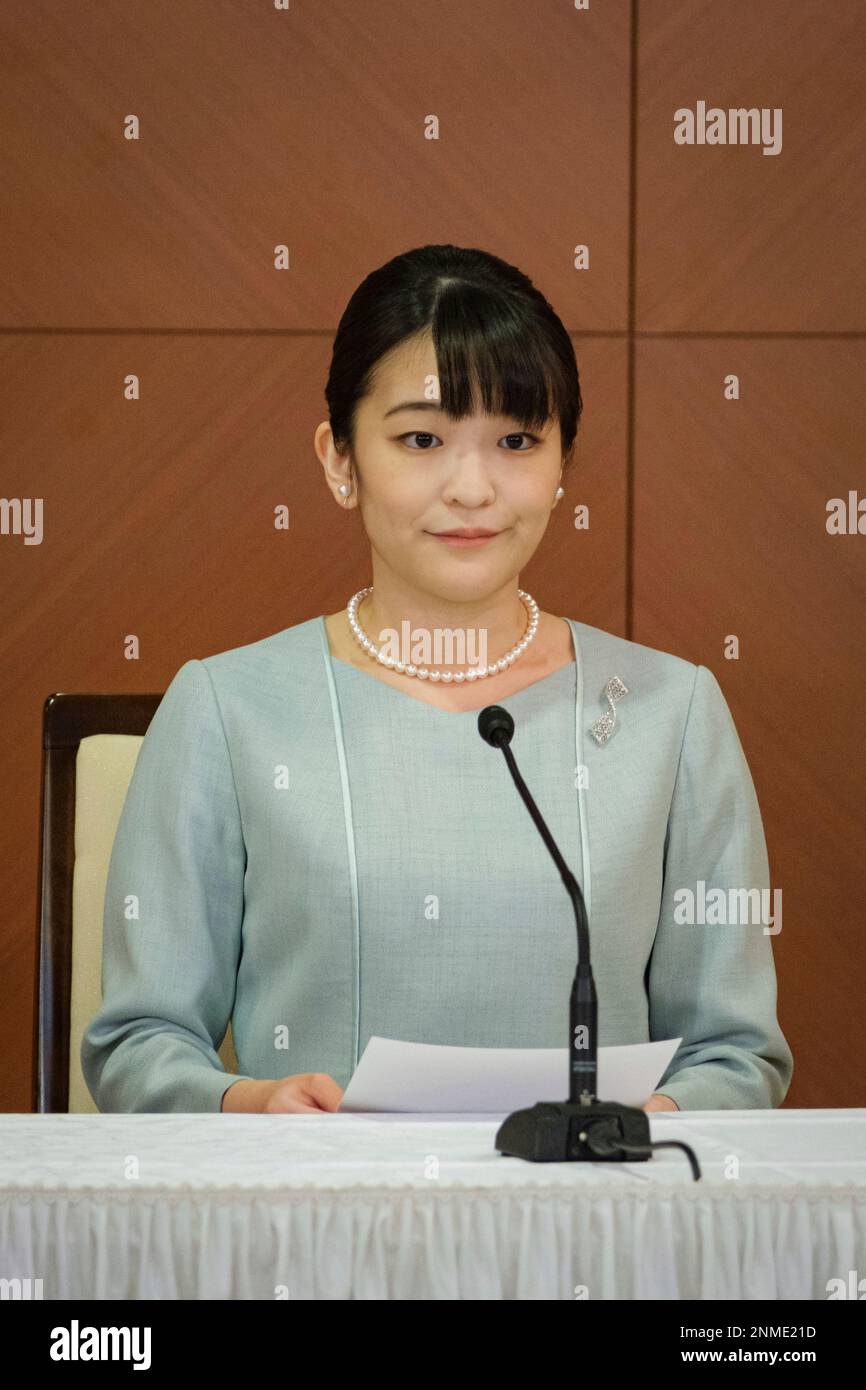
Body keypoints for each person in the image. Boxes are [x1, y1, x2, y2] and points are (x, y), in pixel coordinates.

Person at [81, 243, 793, 1115]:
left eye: (516, 441)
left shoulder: (671, 714)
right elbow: (138, 1043)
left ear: (563, 462)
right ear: (340, 458)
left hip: (593, 1227)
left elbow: (735, 1052)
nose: (471, 487)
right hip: (322, 1228)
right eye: (421, 438)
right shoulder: (228, 712)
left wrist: (659, 1122)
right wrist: (245, 1108)